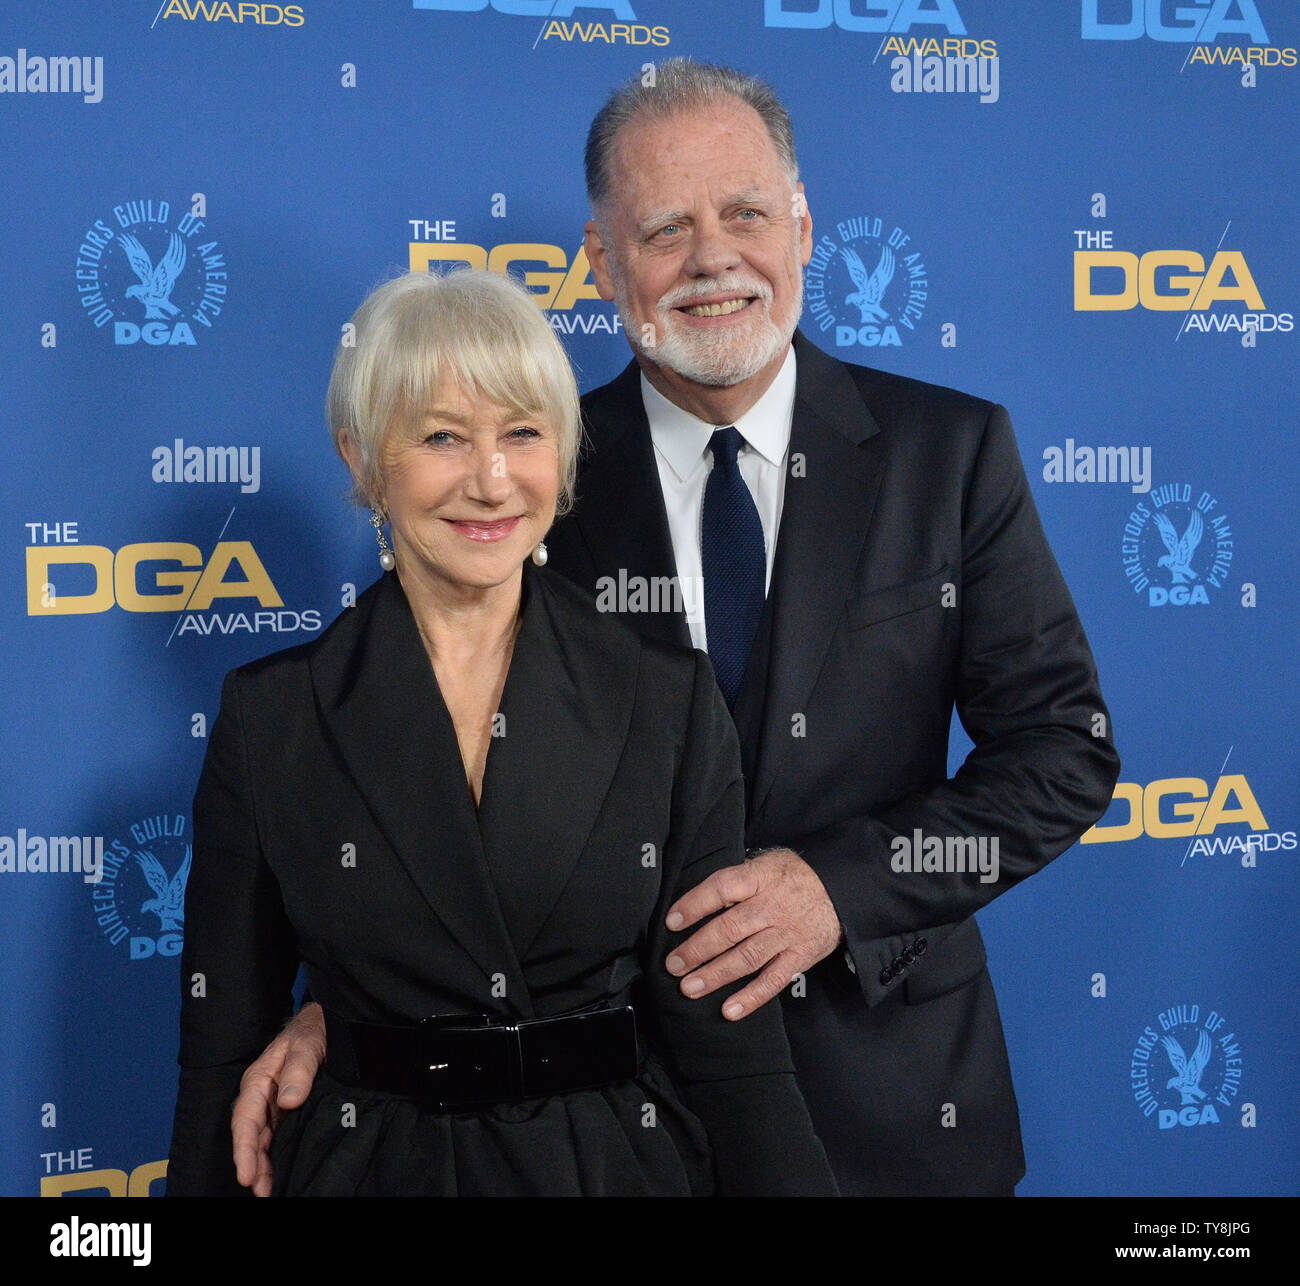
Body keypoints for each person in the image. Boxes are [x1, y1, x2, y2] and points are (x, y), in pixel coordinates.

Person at [228, 60, 1121, 1198]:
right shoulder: (524, 478)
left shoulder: (949, 453)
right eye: (665, 228)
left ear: (802, 227)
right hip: (610, 1120)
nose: (713, 257)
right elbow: (414, 786)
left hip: (894, 1103)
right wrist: (358, 1025)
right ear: (602, 263)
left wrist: (837, 890)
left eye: (747, 213)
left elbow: (1062, 750)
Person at [164, 267, 837, 1197]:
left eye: (523, 433)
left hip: (613, 1172)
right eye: (443, 437)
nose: (491, 480)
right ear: (362, 459)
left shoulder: (665, 702)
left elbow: (733, 1049)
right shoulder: (272, 717)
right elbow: (221, 1059)